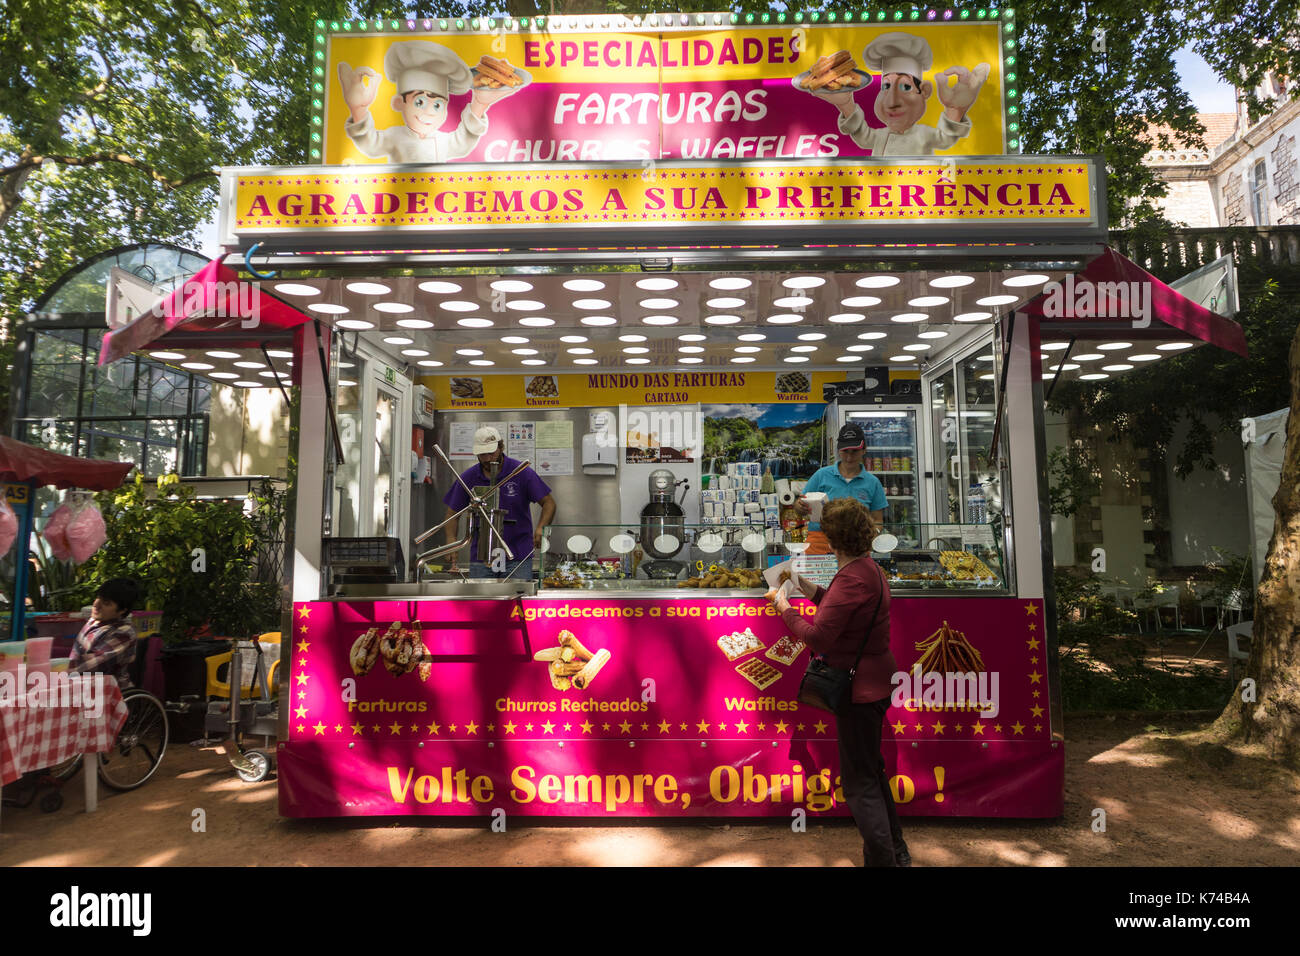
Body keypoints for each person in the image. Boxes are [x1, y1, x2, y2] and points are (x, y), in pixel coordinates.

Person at [767, 498, 909, 867]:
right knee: (872, 774)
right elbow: (840, 605)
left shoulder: (851, 577)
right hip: (874, 681)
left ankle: (884, 861)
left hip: (858, 688)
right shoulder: (867, 569)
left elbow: (817, 637)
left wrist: (784, 607)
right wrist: (803, 585)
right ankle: (896, 853)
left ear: (831, 541)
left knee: (860, 786)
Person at [337, 40, 519, 164]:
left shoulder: (441, 140)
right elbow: (371, 144)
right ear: (399, 103)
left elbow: (463, 142)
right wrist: (358, 108)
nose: (430, 112)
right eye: (419, 102)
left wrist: (479, 104)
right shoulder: (394, 136)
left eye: (438, 105)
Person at [809, 32, 989, 156]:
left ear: (924, 91)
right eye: (886, 86)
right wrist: (846, 103)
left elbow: (945, 139)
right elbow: (863, 137)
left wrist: (955, 110)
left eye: (905, 87)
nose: (892, 101)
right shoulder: (881, 136)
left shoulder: (923, 134)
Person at [443, 426, 556, 579]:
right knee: (483, 601)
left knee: (515, 598)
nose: (488, 458)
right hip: (481, 556)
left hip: (517, 554)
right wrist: (451, 541)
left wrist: (542, 528)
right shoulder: (468, 478)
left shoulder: (521, 472)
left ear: (501, 447)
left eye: (491, 452)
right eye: (483, 454)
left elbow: (549, 503)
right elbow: (452, 513)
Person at [799, 422, 886, 555]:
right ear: (839, 450)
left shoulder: (873, 483)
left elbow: (878, 520)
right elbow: (799, 506)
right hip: (820, 543)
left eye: (855, 451)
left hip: (857, 545)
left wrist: (871, 537)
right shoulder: (821, 475)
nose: (849, 457)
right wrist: (800, 506)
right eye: (845, 451)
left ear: (864, 450)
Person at [70, 577, 142, 690]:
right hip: (81, 684)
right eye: (98, 598)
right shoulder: (94, 621)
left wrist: (60, 669)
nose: (96, 605)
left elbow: (95, 664)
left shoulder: (124, 632)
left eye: (106, 603)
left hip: (110, 692)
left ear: (122, 610)